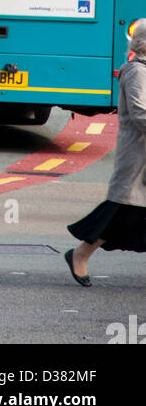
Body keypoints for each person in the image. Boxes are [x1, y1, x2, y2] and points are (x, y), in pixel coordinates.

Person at [65, 19, 146, 285]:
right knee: (124, 209)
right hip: (138, 153)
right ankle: (80, 254)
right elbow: (138, 112)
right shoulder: (136, 71)